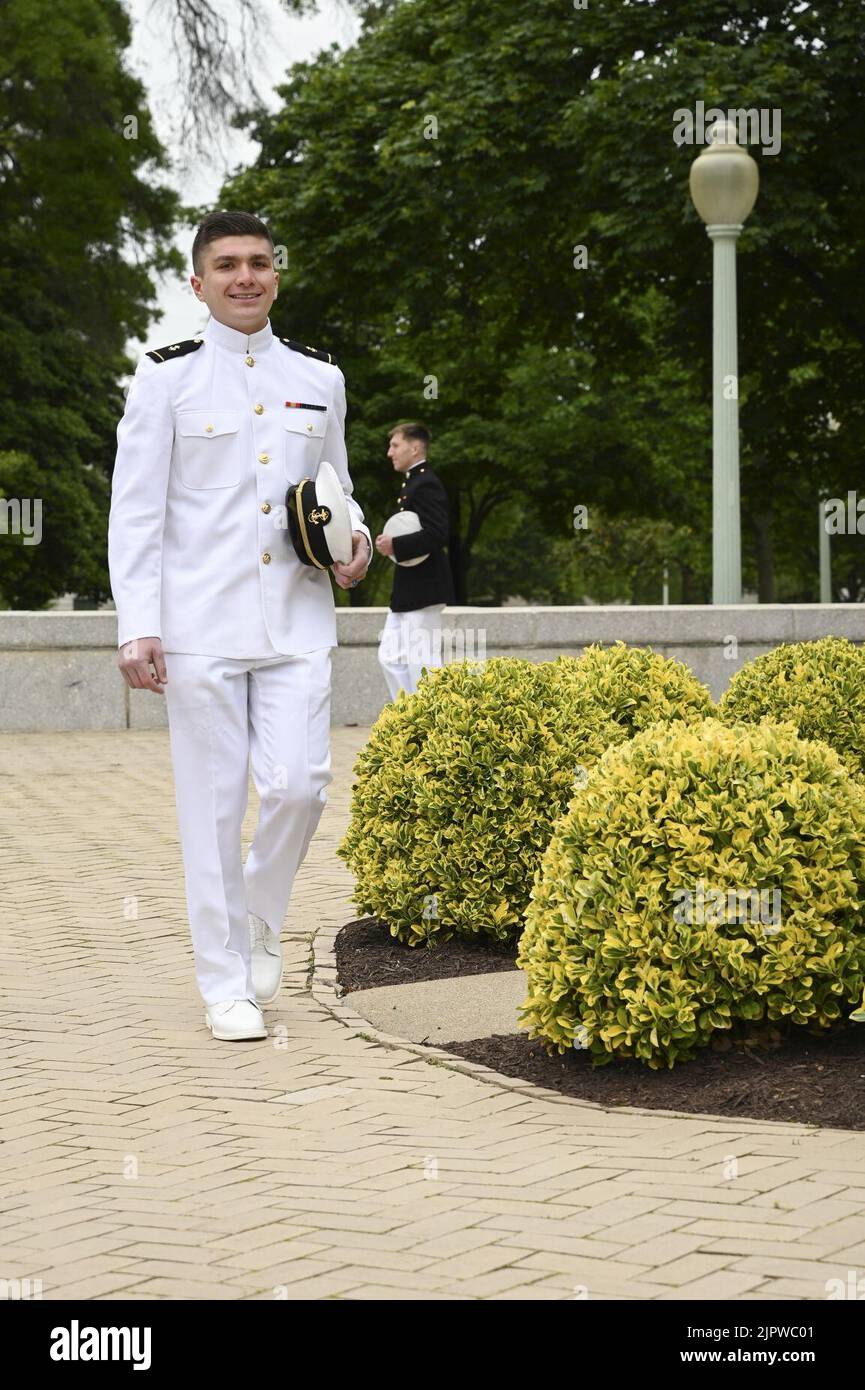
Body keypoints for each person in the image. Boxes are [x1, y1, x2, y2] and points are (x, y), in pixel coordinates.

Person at [107, 209, 372, 1041]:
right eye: (226, 265)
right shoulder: (165, 378)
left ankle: (259, 914)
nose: (245, 277)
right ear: (198, 283)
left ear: (276, 275)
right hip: (199, 628)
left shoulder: (319, 377)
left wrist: (355, 538)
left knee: (300, 786)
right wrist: (136, 624)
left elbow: (336, 481)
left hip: (296, 617)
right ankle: (225, 984)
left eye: (258, 262)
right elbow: (136, 511)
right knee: (213, 811)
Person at [375, 422, 454, 699]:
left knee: (423, 662)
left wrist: (394, 544)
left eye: (395, 445)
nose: (389, 452)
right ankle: (408, 720)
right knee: (390, 656)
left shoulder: (426, 483)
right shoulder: (414, 482)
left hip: (425, 586)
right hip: (409, 588)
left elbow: (437, 533)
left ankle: (433, 728)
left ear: (415, 447)